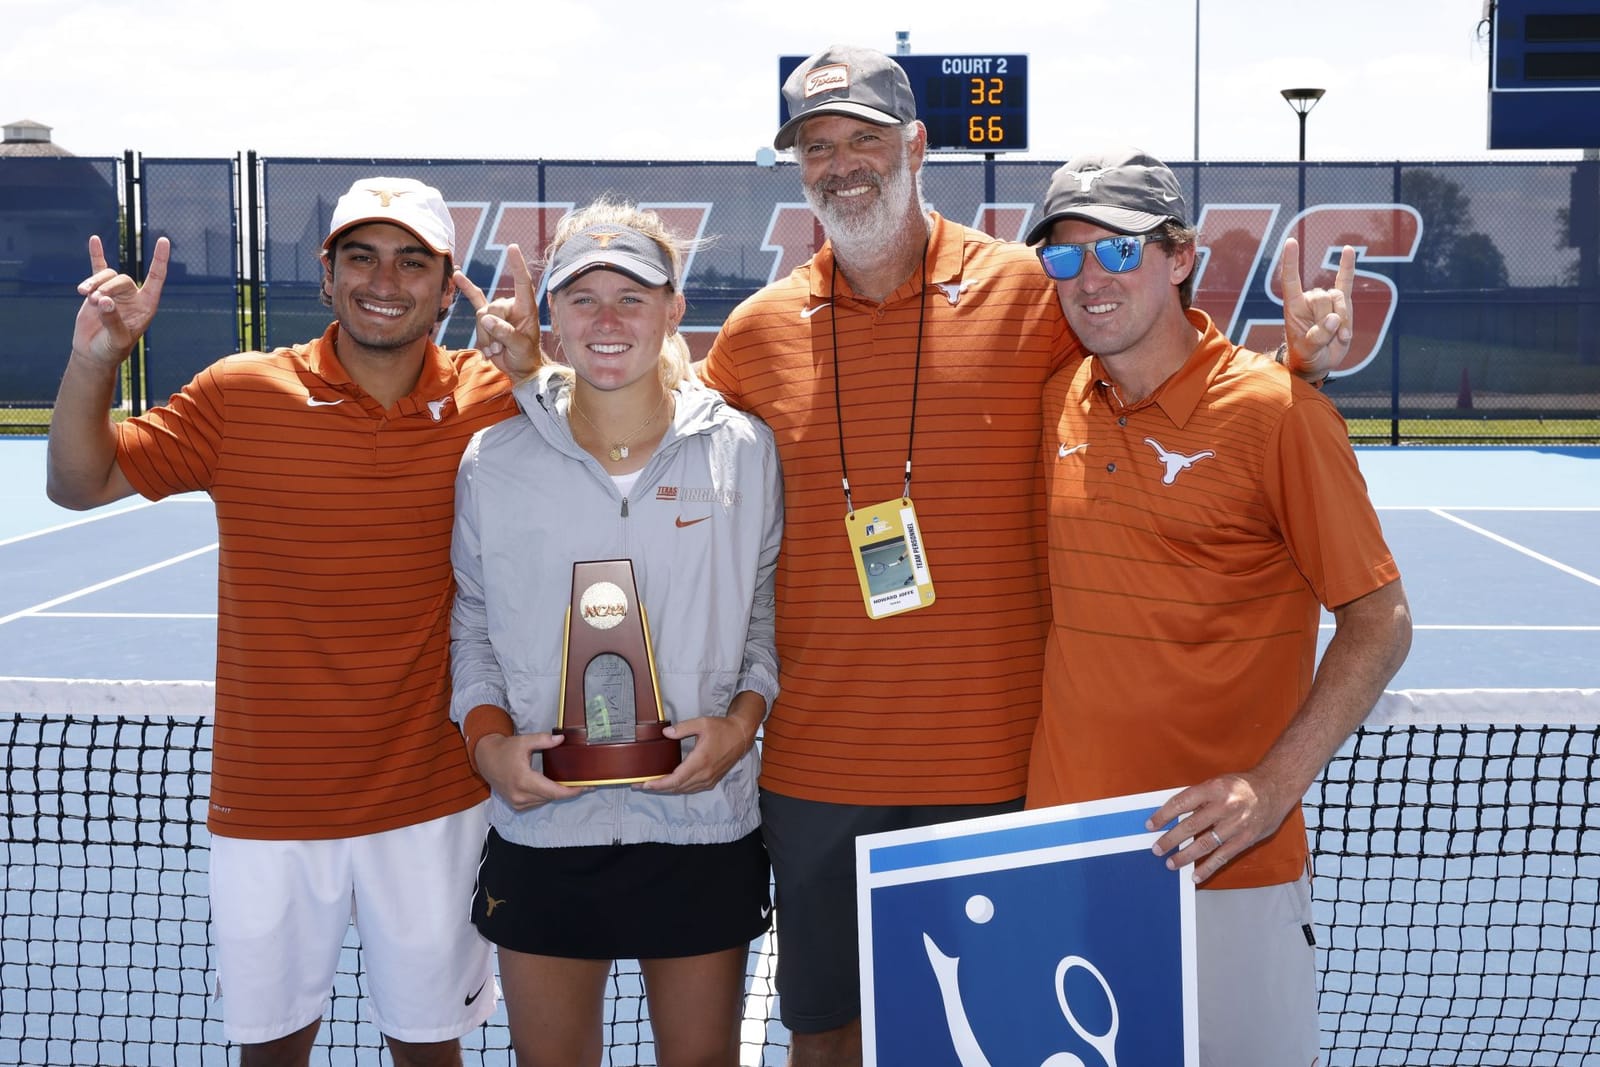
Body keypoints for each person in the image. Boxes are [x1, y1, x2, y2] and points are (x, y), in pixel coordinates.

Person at [695, 44, 1356, 1067]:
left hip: (1002, 773)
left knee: (989, 1037)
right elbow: (662, 445)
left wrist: (1294, 368)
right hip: (819, 765)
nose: (841, 164)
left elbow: (1159, 366)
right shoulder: (752, 335)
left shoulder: (1031, 291)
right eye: (816, 145)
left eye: (864, 139)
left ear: (916, 147)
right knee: (825, 1035)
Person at [45, 177, 535, 1066]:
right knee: (271, 1052)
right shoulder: (241, 393)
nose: (384, 279)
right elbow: (79, 483)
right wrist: (95, 361)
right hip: (269, 800)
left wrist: (540, 364)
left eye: (411, 260)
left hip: (432, 797)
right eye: (362, 256)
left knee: (430, 1049)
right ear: (326, 273)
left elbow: (624, 440)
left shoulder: (494, 398)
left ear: (443, 280)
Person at [1023, 146, 1413, 1066]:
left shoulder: (1281, 413)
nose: (1090, 277)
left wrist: (1270, 789)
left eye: (1118, 250)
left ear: (1180, 256)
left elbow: (1382, 619)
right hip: (1068, 860)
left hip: (1226, 866)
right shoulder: (1055, 402)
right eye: (1065, 255)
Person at [449, 199, 783, 1067]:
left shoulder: (745, 450)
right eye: (581, 296)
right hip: (545, 831)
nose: (606, 320)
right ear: (550, 317)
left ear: (674, 308)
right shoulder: (493, 461)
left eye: (631, 297)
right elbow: (473, 622)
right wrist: (490, 749)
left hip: (702, 826)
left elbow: (763, 615)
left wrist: (740, 727)